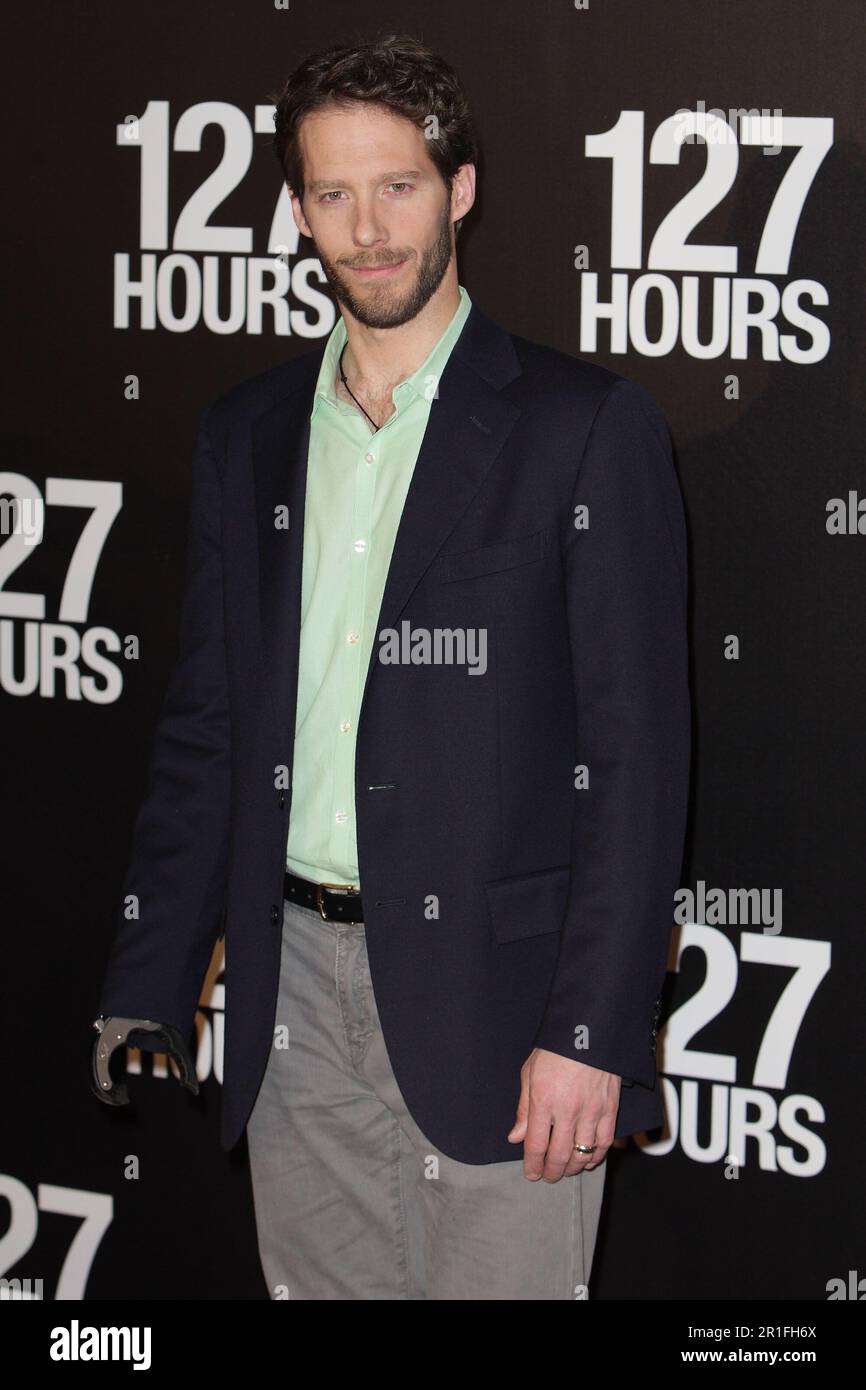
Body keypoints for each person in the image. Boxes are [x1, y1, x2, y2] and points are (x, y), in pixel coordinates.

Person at [96, 32, 691, 1300]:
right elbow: (207, 726)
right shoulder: (246, 435)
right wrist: (151, 972)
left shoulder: (579, 429)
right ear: (295, 209)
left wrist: (590, 1031)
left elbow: (636, 761)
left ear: (461, 188)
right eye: (331, 193)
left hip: (503, 999)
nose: (367, 230)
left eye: (399, 186)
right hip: (290, 994)